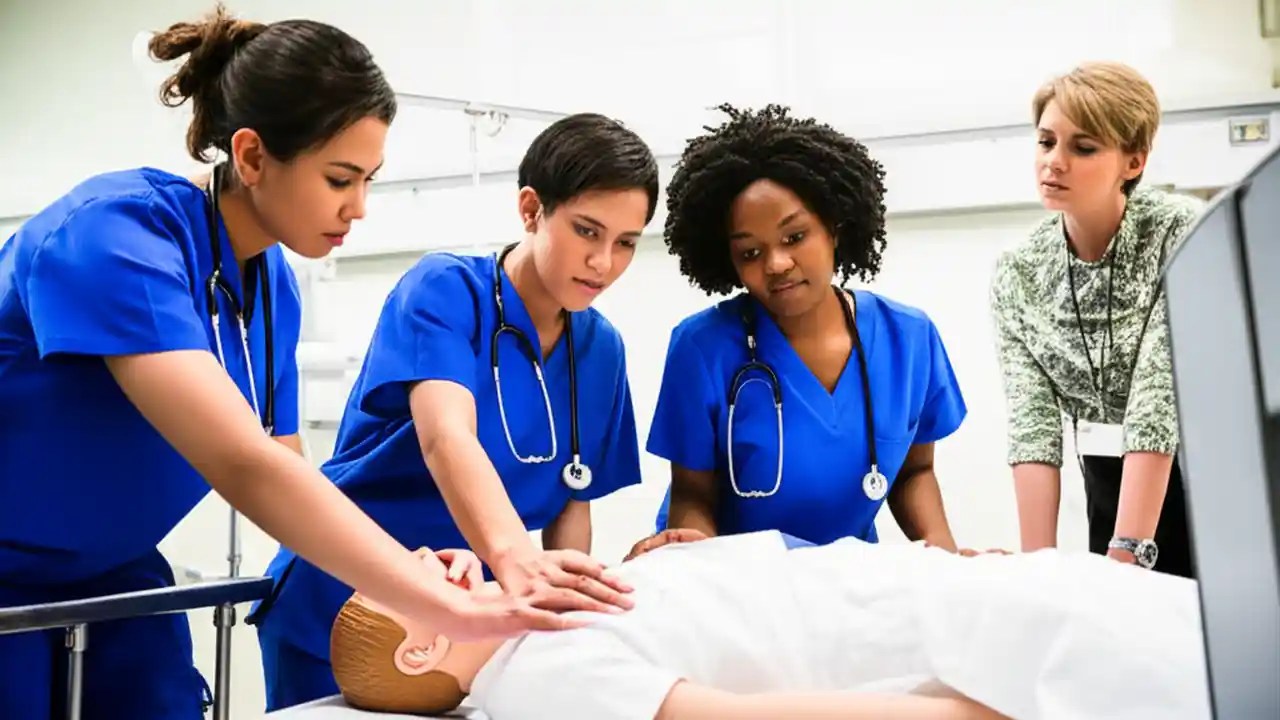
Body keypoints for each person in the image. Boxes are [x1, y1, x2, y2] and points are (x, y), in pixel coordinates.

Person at [0, 5, 615, 719]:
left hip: (115, 577)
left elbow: (287, 466)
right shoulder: (115, 234)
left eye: (369, 181)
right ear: (254, 156)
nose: (359, 208)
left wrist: (414, 561)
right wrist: (438, 604)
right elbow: (243, 464)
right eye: (339, 179)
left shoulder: (270, 287)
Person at [251, 111, 659, 710]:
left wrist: (571, 616)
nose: (604, 262)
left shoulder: (601, 350)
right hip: (349, 601)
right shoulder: (446, 289)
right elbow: (447, 437)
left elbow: (574, 499)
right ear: (531, 211)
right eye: (587, 231)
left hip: (466, 627)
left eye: (626, 243)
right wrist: (516, 564)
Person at [328, 530, 1212, 720]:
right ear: (422, 644)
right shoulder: (537, 683)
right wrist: (966, 717)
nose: (433, 555)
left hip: (918, 590)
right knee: (1186, 655)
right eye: (408, 575)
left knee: (1179, 620)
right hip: (928, 639)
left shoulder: (542, 616)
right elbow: (739, 719)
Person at [646, 103, 969, 551]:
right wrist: (699, 563)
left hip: (847, 582)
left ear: (834, 227)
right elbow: (692, 494)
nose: (777, 264)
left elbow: (913, 472)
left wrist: (943, 554)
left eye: (794, 237)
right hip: (740, 578)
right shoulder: (702, 347)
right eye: (750, 253)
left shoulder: (908, 339)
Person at [990, 61, 1205, 578]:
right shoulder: (1018, 272)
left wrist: (1129, 554)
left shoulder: (1180, 234)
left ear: (1133, 161)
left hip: (1212, 478)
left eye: (1083, 148)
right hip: (1111, 483)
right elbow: (1033, 427)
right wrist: (1037, 566)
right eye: (1046, 143)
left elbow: (1158, 402)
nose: (1054, 163)